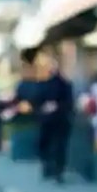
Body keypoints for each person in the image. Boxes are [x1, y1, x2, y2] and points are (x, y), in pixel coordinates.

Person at [33, 52, 75, 182]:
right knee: (56, 146)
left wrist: (50, 107)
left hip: (52, 120)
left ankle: (53, 169)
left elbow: (37, 100)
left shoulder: (49, 84)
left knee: (52, 145)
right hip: (57, 120)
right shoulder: (64, 84)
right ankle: (55, 169)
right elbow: (69, 103)